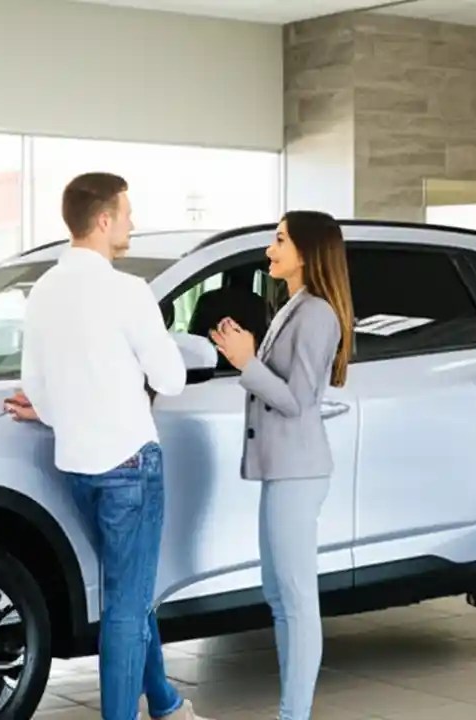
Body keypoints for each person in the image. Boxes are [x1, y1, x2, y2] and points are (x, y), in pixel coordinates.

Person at [4, 173, 210, 720]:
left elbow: (38, 386)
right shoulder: (126, 291)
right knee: (125, 604)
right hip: (130, 463)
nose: (132, 223)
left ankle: (165, 703)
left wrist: (57, 406)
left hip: (76, 465)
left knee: (131, 589)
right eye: (126, 213)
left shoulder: (43, 291)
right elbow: (170, 378)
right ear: (103, 221)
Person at [209, 210, 354, 720]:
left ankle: (294, 715)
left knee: (294, 599)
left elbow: (297, 400)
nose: (270, 250)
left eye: (279, 240)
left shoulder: (316, 313)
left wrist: (247, 362)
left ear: (307, 251)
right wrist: (243, 355)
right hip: (283, 469)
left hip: (298, 470)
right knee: (280, 594)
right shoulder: (298, 306)